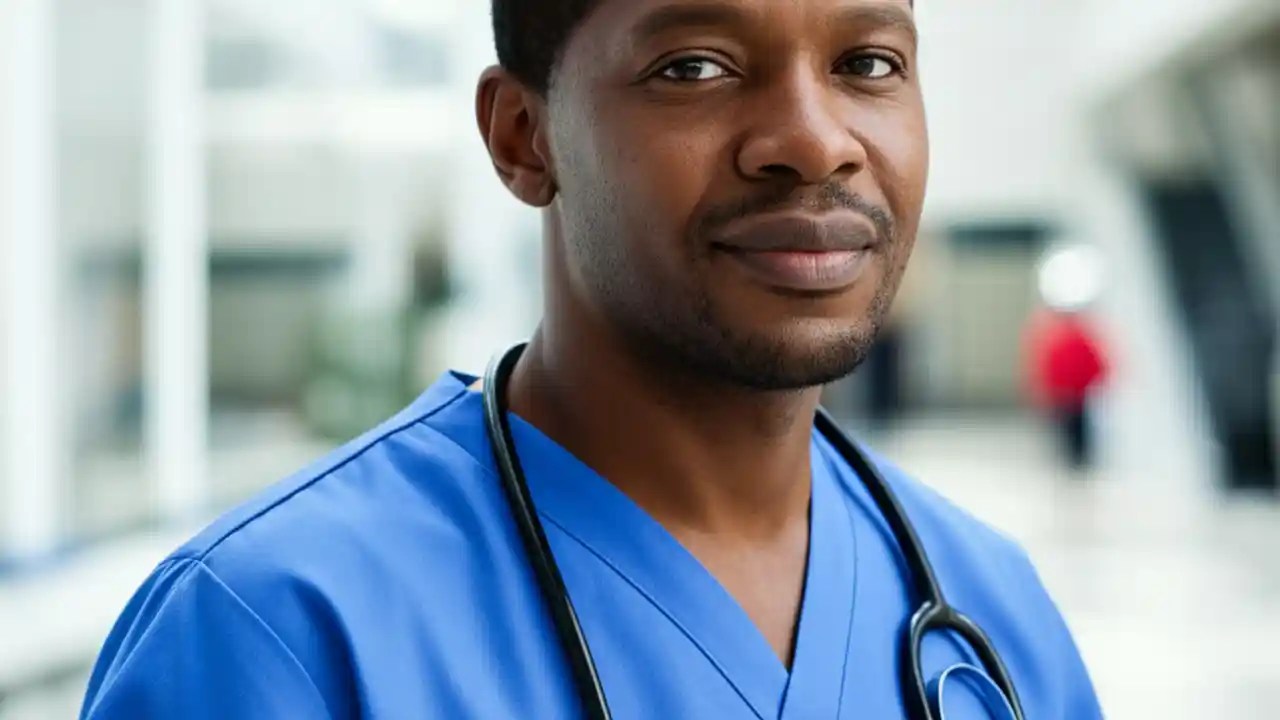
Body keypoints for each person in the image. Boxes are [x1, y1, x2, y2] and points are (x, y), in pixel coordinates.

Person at [81, 1, 1103, 717]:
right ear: (524, 137)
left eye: (866, 64)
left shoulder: (992, 612)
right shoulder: (278, 632)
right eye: (692, 66)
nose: (810, 139)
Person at [1022, 306, 1109, 469]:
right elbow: (1049, 368)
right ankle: (1073, 458)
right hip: (1065, 394)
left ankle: (1079, 457)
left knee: (1077, 426)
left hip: (1076, 394)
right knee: (1068, 426)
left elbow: (1093, 363)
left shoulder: (1070, 339)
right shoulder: (1059, 340)